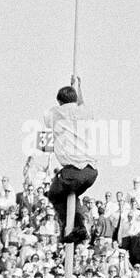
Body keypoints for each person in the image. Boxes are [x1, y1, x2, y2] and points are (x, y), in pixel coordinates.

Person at [43, 81, 96, 244]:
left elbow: (45, 145)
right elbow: (81, 103)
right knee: (71, 197)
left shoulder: (53, 113)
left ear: (59, 101)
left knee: (53, 195)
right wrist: (79, 86)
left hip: (73, 171)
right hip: (91, 171)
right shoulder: (85, 112)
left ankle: (68, 225)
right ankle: (79, 227)